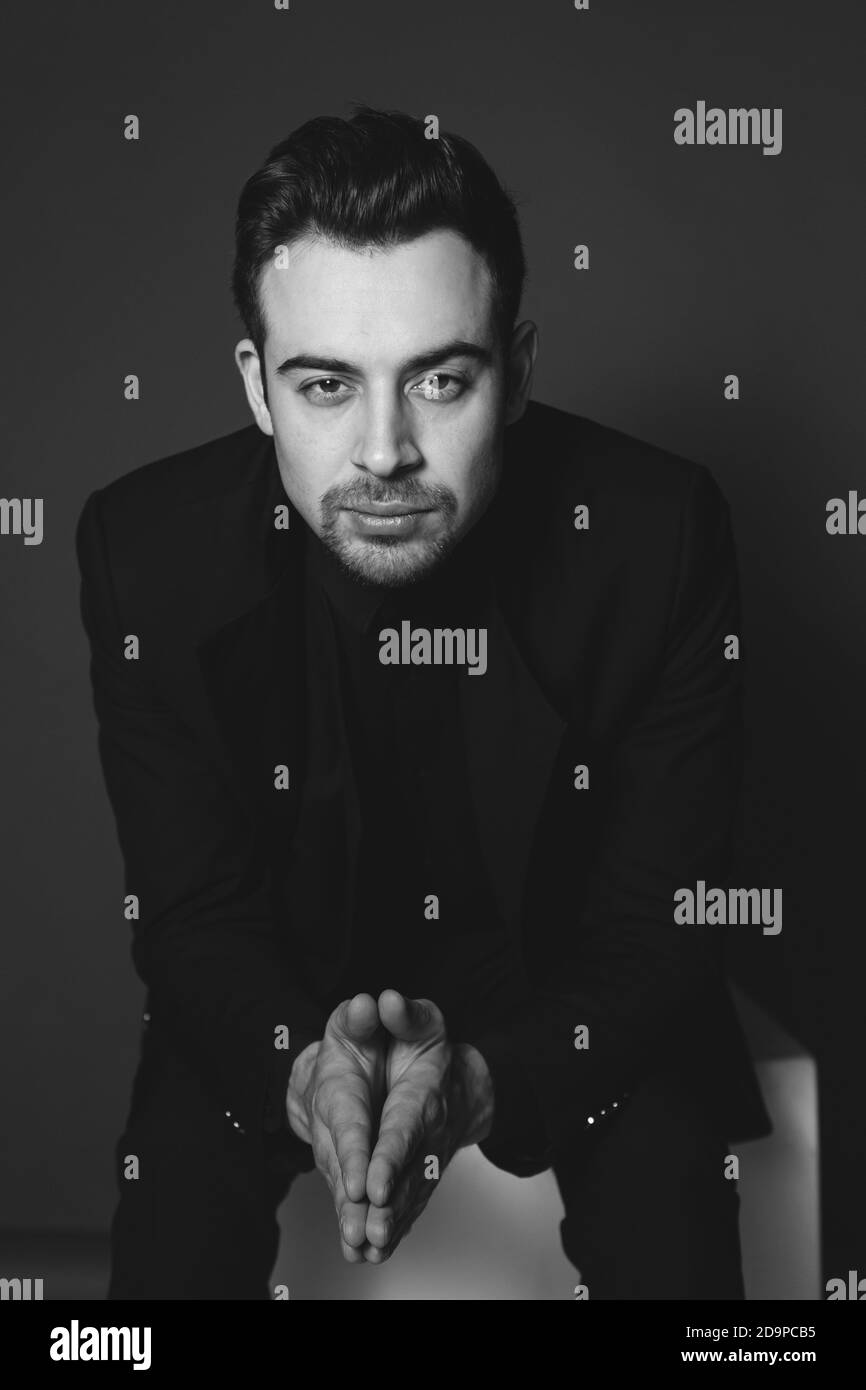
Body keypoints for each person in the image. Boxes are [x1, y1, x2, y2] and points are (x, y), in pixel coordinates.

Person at [76, 104, 771, 1301]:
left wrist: (489, 1079)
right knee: (166, 1248)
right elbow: (189, 916)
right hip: (281, 987)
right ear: (255, 386)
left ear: (516, 372)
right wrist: (301, 1068)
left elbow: (663, 921)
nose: (384, 450)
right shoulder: (147, 553)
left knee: (674, 1230)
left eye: (439, 379)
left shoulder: (653, 533)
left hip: (574, 985)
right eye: (325, 386)